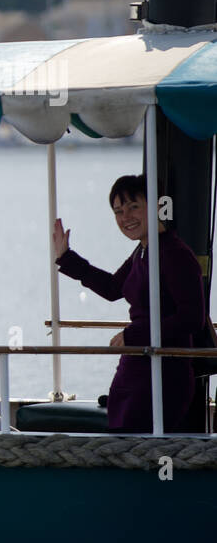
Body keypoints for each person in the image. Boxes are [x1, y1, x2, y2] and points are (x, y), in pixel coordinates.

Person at [53, 174, 204, 433]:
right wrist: (67, 258)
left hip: (163, 372)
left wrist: (133, 334)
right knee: (123, 443)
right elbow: (114, 288)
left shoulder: (175, 254)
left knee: (136, 445)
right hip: (137, 367)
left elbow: (192, 317)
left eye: (134, 206)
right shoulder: (143, 251)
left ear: (156, 206)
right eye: (118, 211)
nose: (126, 217)